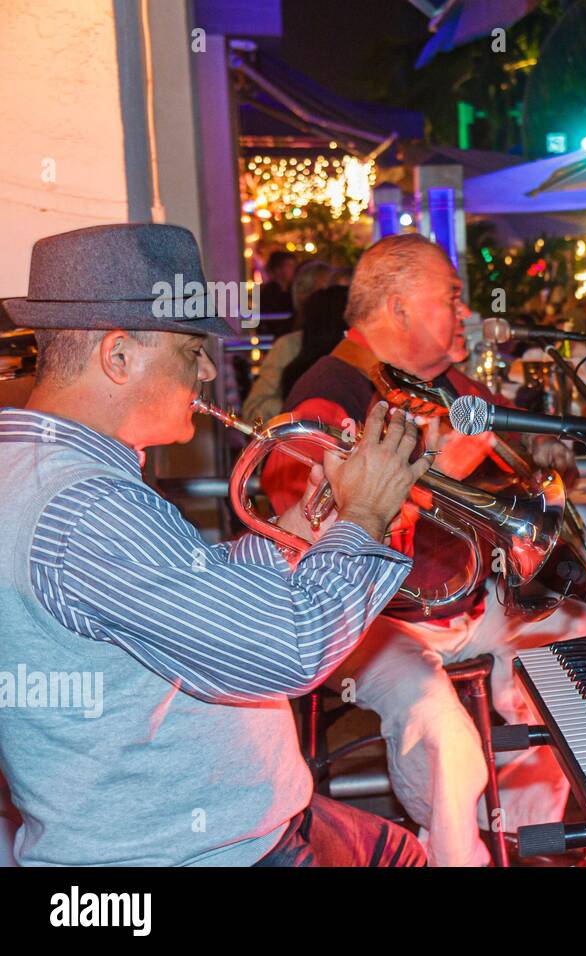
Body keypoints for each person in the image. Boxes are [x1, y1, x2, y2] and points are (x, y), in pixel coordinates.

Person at [0, 223, 428, 866]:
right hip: (202, 851)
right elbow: (289, 649)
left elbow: (190, 592)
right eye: (191, 349)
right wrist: (365, 513)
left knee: (397, 852)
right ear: (118, 357)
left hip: (225, 827)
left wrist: (309, 521)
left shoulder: (39, 466)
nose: (204, 370)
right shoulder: (86, 505)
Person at [262, 234, 586, 867]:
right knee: (445, 736)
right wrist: (432, 473)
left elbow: (511, 445)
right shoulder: (326, 397)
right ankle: (455, 854)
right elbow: (301, 550)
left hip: (457, 603)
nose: (464, 311)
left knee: (578, 636)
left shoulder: (437, 382)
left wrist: (537, 452)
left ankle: (524, 838)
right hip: (367, 623)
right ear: (398, 307)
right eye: (449, 296)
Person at [242, 259, 336, 423]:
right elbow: (253, 410)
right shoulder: (289, 345)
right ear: (304, 298)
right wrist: (301, 408)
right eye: (323, 295)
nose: (332, 303)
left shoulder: (353, 345)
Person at [260, 249, 298, 315]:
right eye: (290, 266)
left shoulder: (294, 290)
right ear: (278, 269)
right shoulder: (269, 293)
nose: (294, 269)